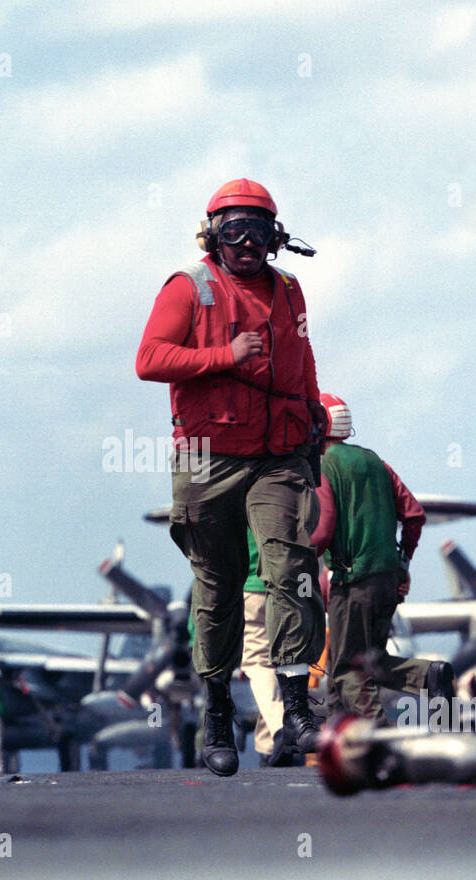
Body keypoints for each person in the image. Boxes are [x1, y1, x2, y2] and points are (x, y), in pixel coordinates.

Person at [136, 178, 327, 776]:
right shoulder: (187, 287)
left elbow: (302, 352)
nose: (245, 240)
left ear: (276, 238)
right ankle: (218, 711)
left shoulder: (290, 289)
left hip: (278, 454)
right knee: (214, 588)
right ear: (211, 234)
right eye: (232, 229)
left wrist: (314, 407)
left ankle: (296, 704)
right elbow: (149, 360)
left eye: (257, 230)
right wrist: (225, 356)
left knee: (291, 567)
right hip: (204, 454)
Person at [309, 393, 452, 726]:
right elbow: (414, 515)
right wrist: (402, 565)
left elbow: (324, 527)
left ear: (317, 427)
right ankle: (426, 676)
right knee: (370, 662)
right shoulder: (377, 462)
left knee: (348, 669)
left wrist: (299, 559)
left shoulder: (322, 465)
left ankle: (380, 735)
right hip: (388, 580)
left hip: (353, 583)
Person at [239, 528, 291, 765]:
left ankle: (282, 728)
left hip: (252, 588)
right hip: (290, 588)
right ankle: (268, 746)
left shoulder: (237, 499)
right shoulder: (283, 494)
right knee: (278, 664)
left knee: (259, 665)